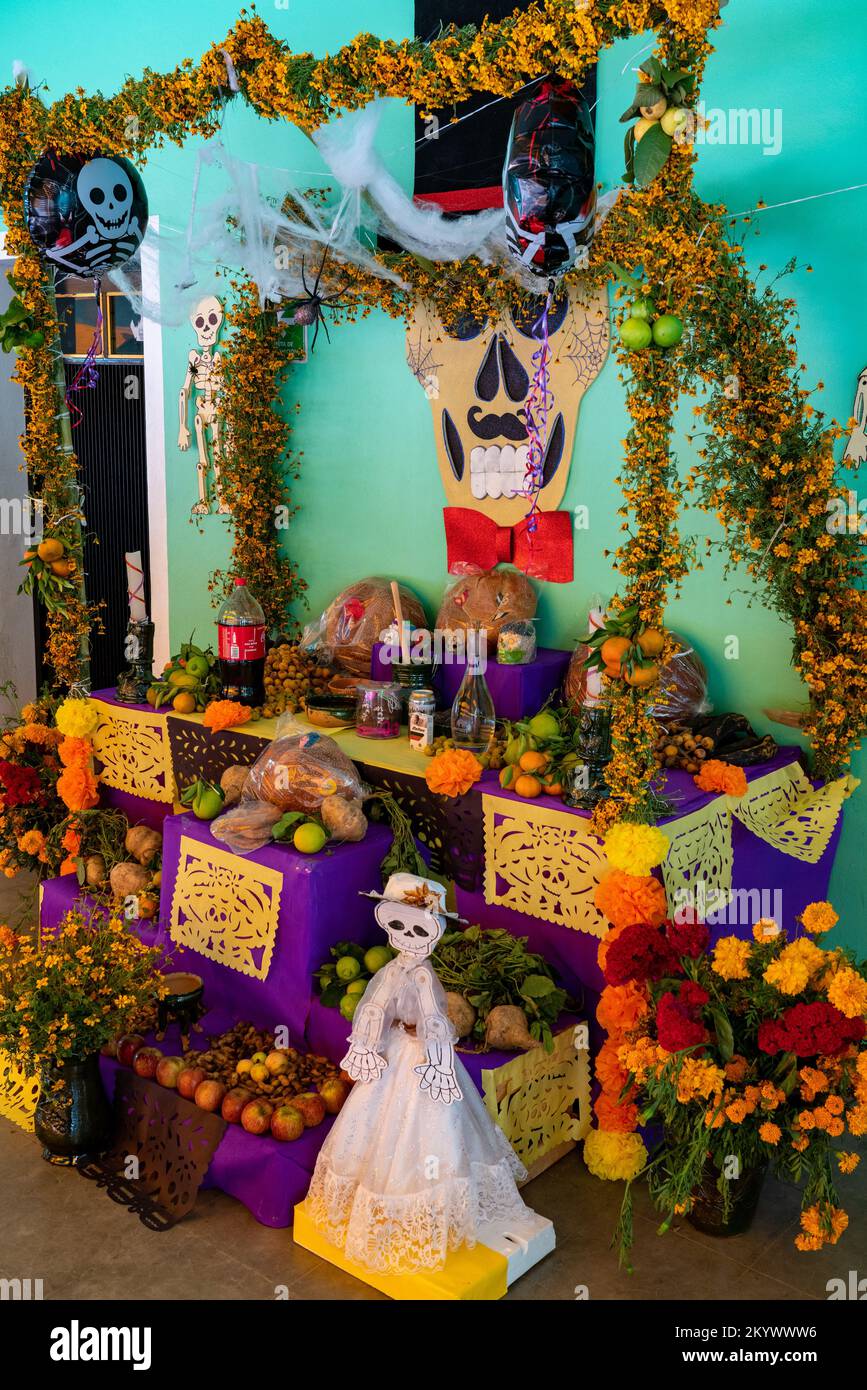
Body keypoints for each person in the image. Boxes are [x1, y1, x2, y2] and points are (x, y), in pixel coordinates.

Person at [305, 873, 532, 1273]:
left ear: (433, 930)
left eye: (416, 928)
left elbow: (434, 1021)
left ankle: (425, 1212)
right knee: (379, 1121)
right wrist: (370, 1043)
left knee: (430, 1127)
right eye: (398, 925)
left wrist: (438, 1061)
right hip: (396, 1051)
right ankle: (386, 1206)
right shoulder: (393, 970)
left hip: (419, 1057)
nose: (407, 936)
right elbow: (375, 1008)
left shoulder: (423, 975)